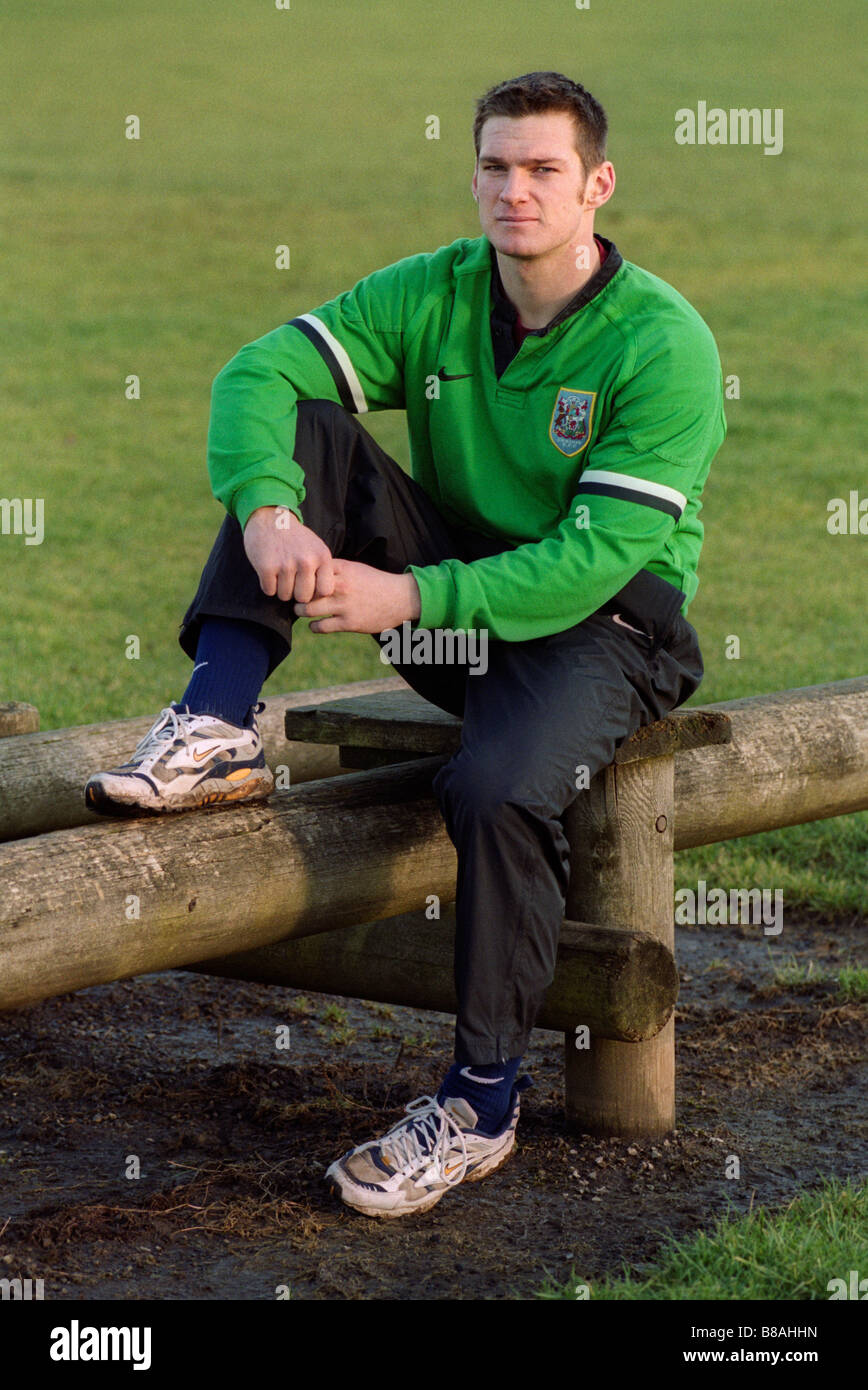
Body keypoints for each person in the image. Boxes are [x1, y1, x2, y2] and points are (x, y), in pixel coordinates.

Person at [85, 71, 726, 1219]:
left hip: (610, 627)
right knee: (307, 423)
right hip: (460, 598)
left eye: (542, 171)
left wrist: (408, 597)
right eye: (494, 166)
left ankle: (479, 1104)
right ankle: (218, 724)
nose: (513, 191)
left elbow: (588, 564)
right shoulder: (438, 288)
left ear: (596, 186)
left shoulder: (662, 342)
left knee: (488, 785)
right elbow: (258, 370)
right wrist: (270, 508)